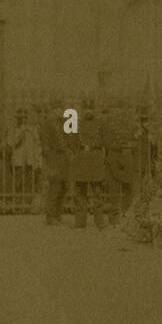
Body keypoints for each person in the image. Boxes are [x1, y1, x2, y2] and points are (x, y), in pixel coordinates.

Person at [70, 99, 108, 230]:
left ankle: (100, 222)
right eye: (86, 109)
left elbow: (105, 140)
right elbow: (72, 141)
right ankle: (80, 222)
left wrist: (93, 146)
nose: (88, 112)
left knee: (97, 193)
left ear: (94, 110)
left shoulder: (100, 124)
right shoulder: (76, 124)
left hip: (95, 160)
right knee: (80, 193)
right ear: (82, 110)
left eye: (90, 109)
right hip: (81, 161)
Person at [39, 103, 69, 226]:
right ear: (52, 110)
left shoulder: (63, 124)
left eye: (60, 109)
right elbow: (45, 146)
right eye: (56, 109)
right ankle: (50, 216)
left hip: (64, 160)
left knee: (63, 188)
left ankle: (58, 214)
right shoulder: (47, 125)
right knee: (54, 188)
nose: (59, 112)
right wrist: (50, 161)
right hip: (54, 160)